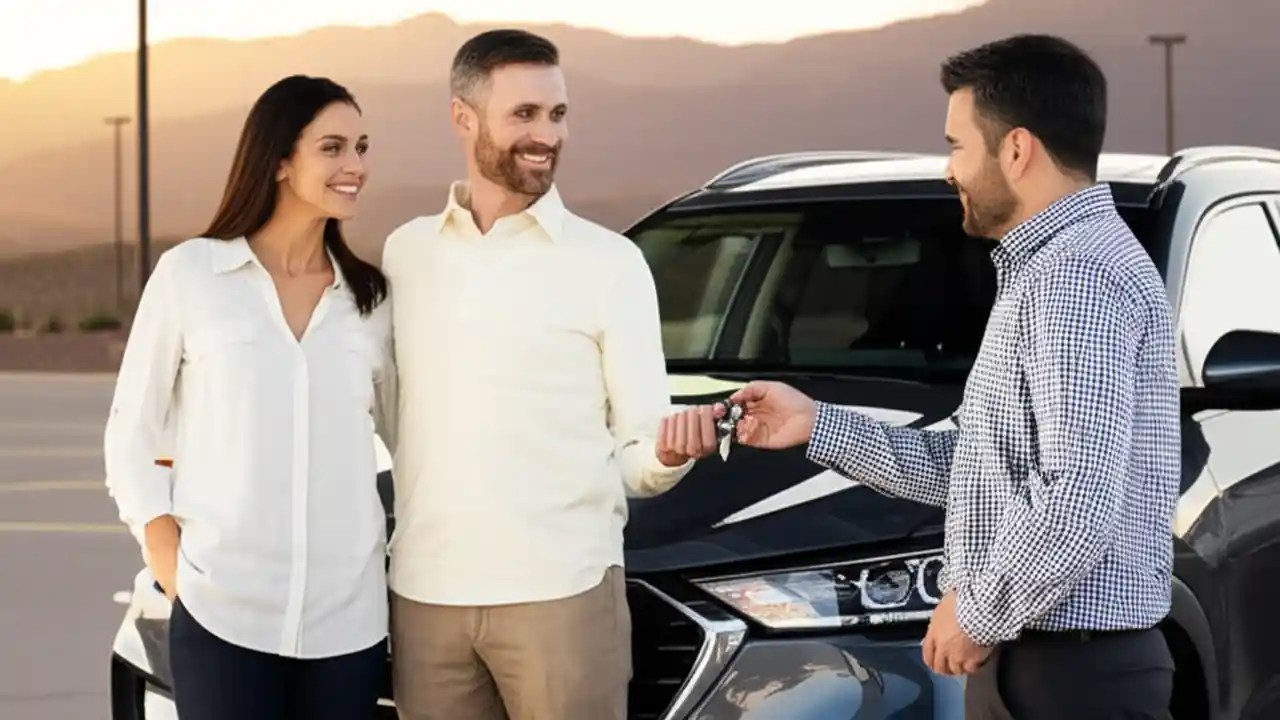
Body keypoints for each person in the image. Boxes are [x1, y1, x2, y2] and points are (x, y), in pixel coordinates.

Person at [719, 34, 1180, 720]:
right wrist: (816, 424)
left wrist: (979, 609)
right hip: (1052, 665)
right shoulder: (1047, 271)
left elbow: (1078, 497)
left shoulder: (1074, 278)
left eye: (958, 145)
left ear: (1016, 149)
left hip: (1072, 675)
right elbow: (975, 466)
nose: (949, 169)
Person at [380, 28, 719, 720]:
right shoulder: (405, 254)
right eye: (524, 115)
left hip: (560, 597)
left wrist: (668, 453)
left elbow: (638, 453)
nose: (547, 135)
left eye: (558, 114)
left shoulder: (609, 264)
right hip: (425, 597)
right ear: (462, 118)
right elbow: (394, 418)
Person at [103, 75, 396, 719]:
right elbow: (130, 433)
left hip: (348, 625)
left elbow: (413, 445)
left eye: (362, 147)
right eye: (334, 147)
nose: (356, 166)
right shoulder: (192, 276)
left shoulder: (372, 300)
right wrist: (169, 559)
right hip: (221, 614)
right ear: (281, 159)